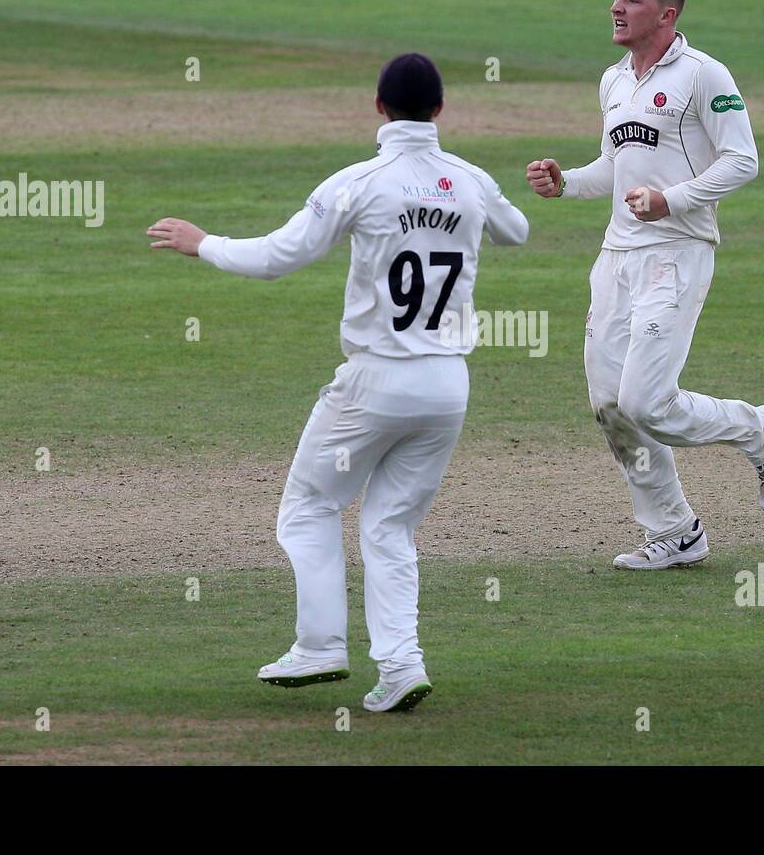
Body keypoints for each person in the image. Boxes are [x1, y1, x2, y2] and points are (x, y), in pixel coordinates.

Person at [148, 54, 529, 709]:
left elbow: (277, 257)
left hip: (377, 381)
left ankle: (321, 645)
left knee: (310, 506)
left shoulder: (360, 182)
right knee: (389, 528)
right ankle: (402, 664)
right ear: (440, 111)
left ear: (378, 108)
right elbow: (516, 231)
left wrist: (203, 242)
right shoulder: (469, 180)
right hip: (446, 389)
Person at [525, 0, 764, 572]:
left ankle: (762, 431)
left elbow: (741, 160)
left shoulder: (705, 75)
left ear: (666, 15)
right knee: (611, 404)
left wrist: (670, 200)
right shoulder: (613, 80)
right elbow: (617, 169)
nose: (616, 8)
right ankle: (674, 531)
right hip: (615, 258)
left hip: (676, 254)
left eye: (632, 0)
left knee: (648, 401)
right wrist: (565, 182)